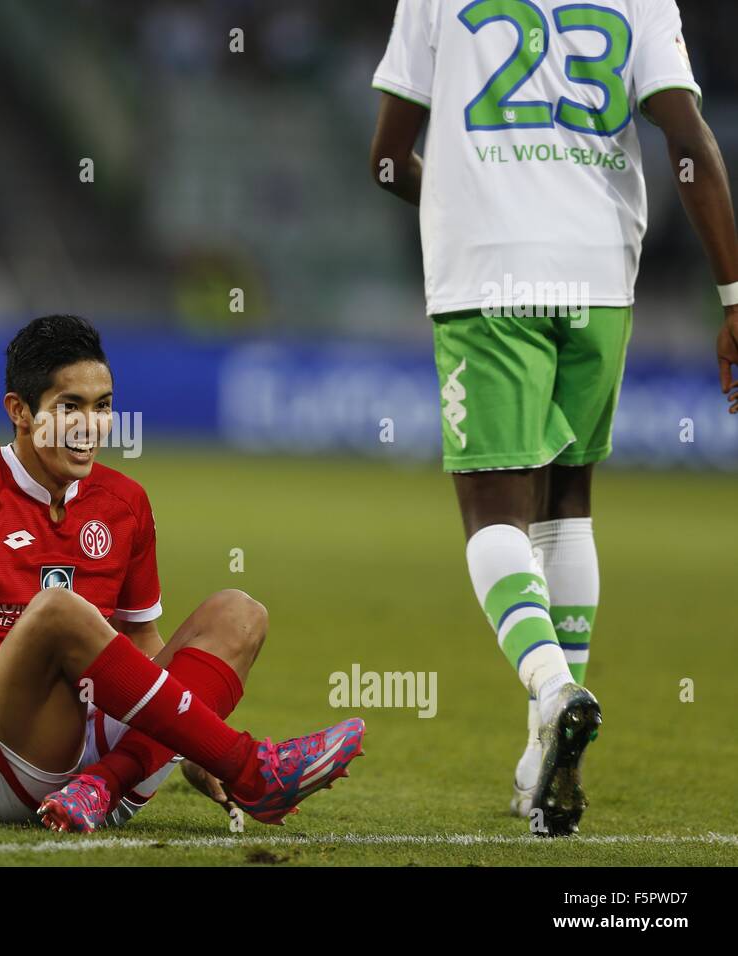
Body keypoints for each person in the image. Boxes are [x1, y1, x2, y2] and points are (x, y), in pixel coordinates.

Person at [370, 0, 738, 834]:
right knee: (568, 505)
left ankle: (551, 686)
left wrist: (459, 209)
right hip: (601, 272)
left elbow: (388, 160)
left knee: (491, 514)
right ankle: (542, 754)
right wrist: (733, 295)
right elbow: (690, 143)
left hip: (490, 277)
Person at [0, 314, 365, 831]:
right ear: (20, 411)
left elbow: (139, 638)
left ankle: (103, 787)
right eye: (70, 407)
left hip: (90, 762)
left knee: (239, 612)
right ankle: (248, 766)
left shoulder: (125, 503)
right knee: (59, 610)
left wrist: (190, 738)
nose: (91, 426)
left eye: (103, 406)